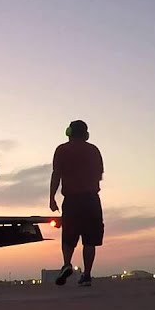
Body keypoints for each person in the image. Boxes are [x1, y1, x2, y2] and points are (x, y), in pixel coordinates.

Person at [49, 120, 104, 286]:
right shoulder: (94, 150)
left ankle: (67, 264)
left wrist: (52, 197)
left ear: (69, 132)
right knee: (90, 240)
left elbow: (56, 175)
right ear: (86, 134)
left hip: (72, 200)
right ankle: (87, 275)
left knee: (68, 236)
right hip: (91, 199)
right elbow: (99, 175)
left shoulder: (62, 150)